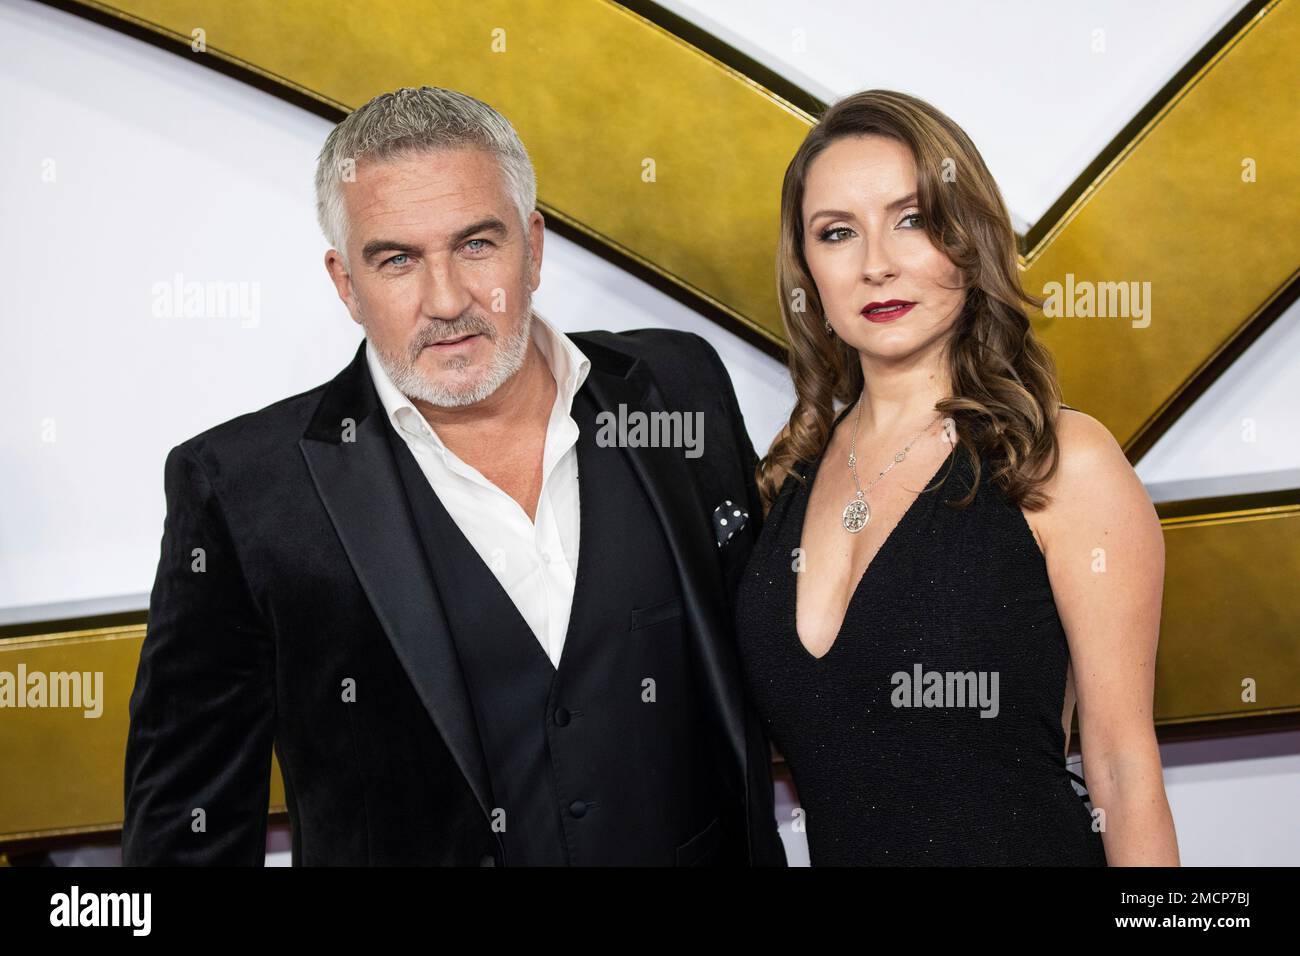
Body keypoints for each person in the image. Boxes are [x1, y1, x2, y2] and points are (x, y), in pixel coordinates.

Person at [123, 86, 786, 867]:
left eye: (476, 245)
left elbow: (777, 665)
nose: (446, 301)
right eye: (397, 260)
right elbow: (185, 831)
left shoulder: (677, 385)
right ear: (345, 284)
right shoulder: (243, 490)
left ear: (532, 248)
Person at [735, 90, 1179, 865]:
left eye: (911, 219)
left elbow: (1122, 770)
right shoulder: (788, 479)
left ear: (966, 237)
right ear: (807, 268)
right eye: (837, 233)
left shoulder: (1060, 460)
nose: (876, 263)